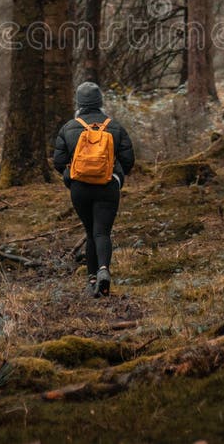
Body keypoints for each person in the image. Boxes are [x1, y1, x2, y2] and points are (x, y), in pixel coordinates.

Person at [53, 82, 134, 298]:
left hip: (80, 189)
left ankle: (91, 280)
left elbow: (58, 162)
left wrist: (71, 177)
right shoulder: (115, 127)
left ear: (78, 103)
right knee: (102, 232)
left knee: (90, 232)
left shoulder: (69, 127)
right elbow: (128, 160)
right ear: (100, 102)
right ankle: (103, 271)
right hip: (108, 187)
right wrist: (116, 176)